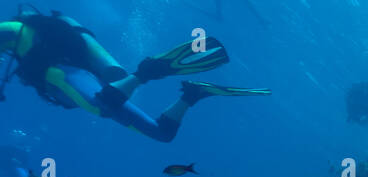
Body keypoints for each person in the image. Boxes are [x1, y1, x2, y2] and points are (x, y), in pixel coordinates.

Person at [0, 7, 268, 142]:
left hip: (66, 76)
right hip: (95, 78)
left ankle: (145, 72)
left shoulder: (14, 30)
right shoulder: (46, 31)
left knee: (101, 106)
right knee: (162, 134)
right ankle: (192, 94)